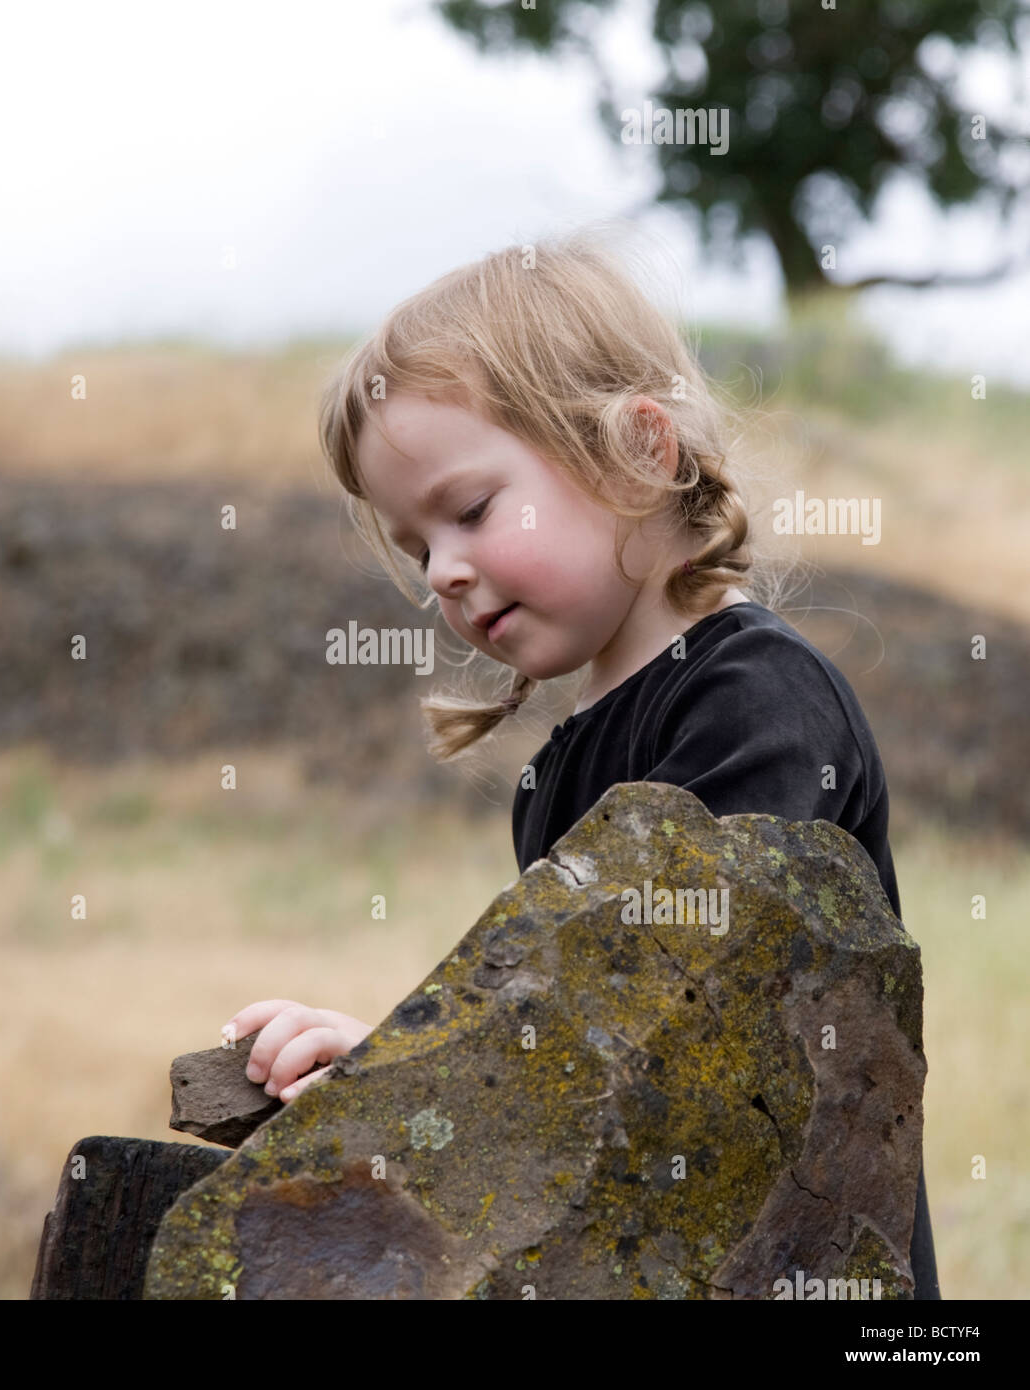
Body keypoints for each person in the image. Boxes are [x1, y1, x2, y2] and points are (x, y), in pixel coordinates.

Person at [221, 225, 939, 1299]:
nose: (443, 574)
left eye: (467, 511)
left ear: (640, 451)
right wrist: (387, 1069)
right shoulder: (558, 767)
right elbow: (563, 1051)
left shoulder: (753, 702)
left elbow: (674, 1034)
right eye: (417, 546)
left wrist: (413, 1075)